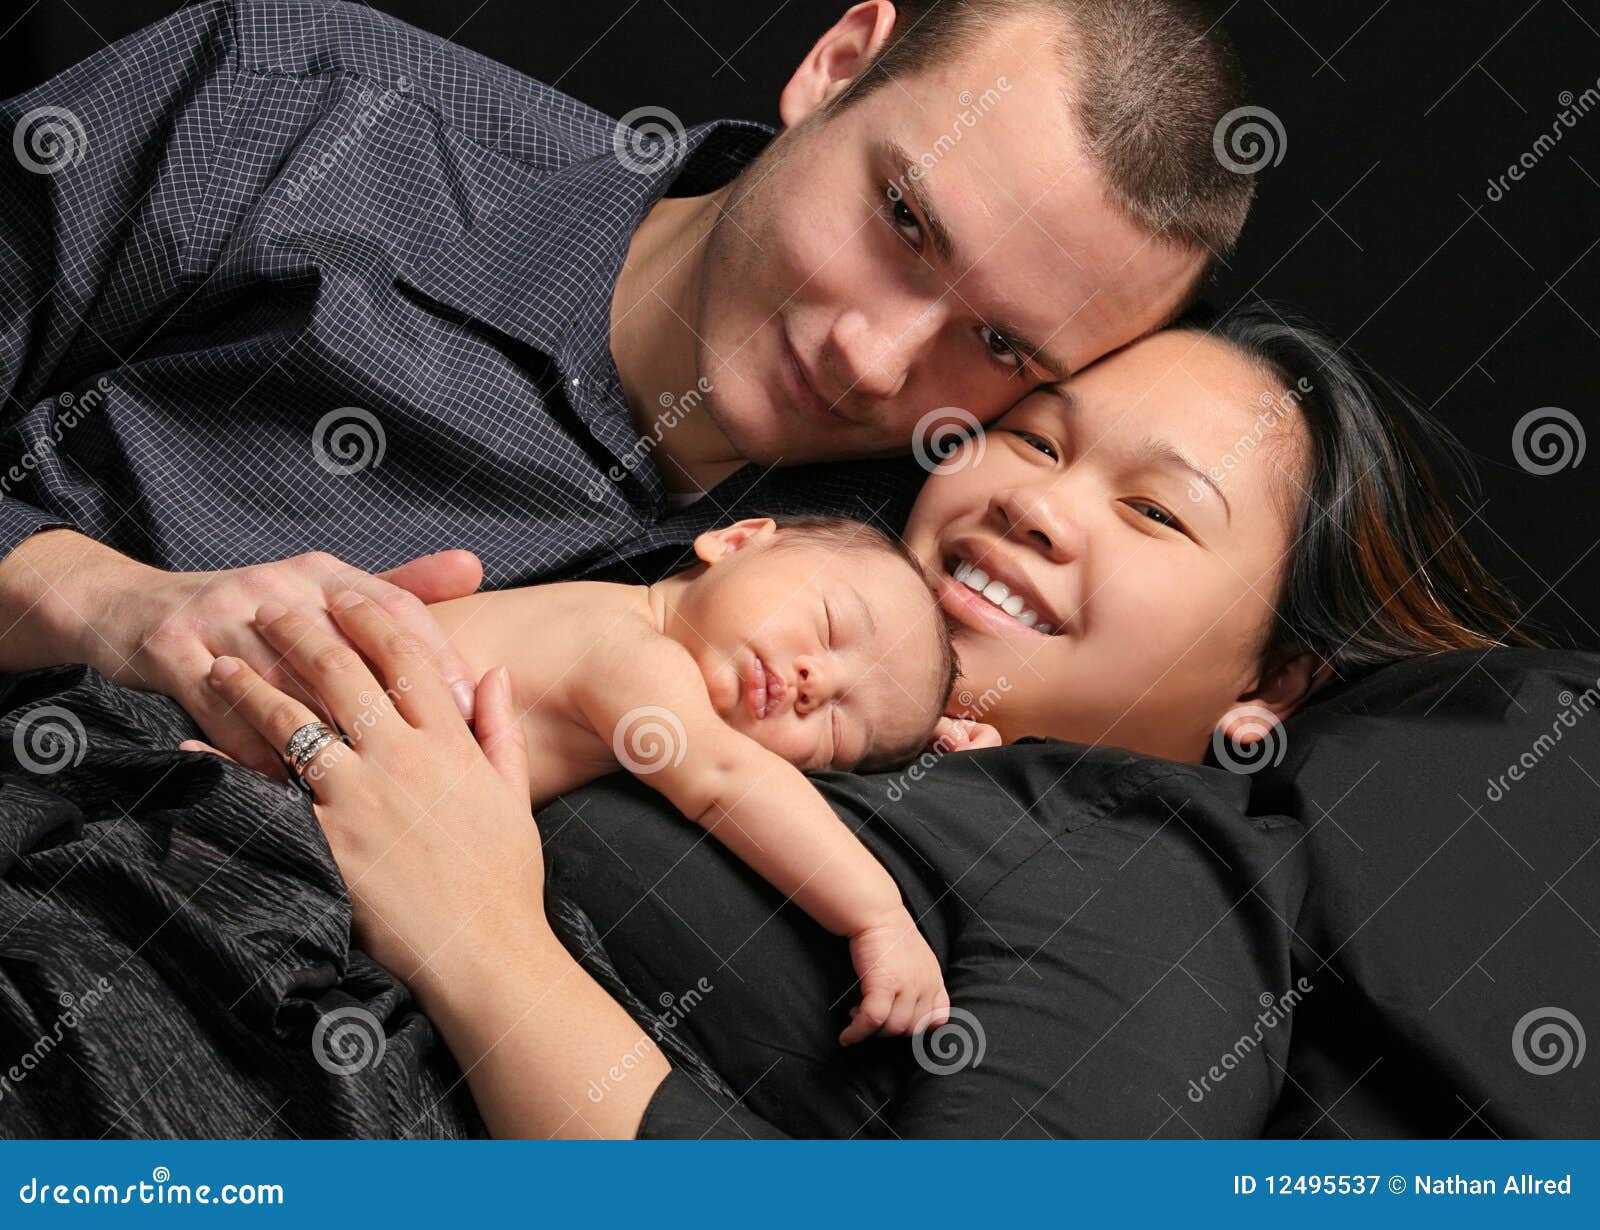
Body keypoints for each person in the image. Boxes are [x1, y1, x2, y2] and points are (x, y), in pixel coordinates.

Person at [198, 304, 1532, 1137]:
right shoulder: (762, 611)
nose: (1039, 504)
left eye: (1156, 510)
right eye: (1038, 439)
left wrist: (479, 944)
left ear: (1272, 684)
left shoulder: (1152, 876)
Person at [0, 0, 1249, 775]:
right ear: (838, 62)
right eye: (904, 220)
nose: (875, 362)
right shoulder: (310, 105)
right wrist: (98, 601)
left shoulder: (915, 594)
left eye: (1003, 348)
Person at [194, 514, 962, 1041]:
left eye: (836, 727)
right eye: (829, 626)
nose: (811, 681)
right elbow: (730, 780)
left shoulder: (633, 645)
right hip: (252, 763)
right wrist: (878, 917)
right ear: (736, 539)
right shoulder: (632, 651)